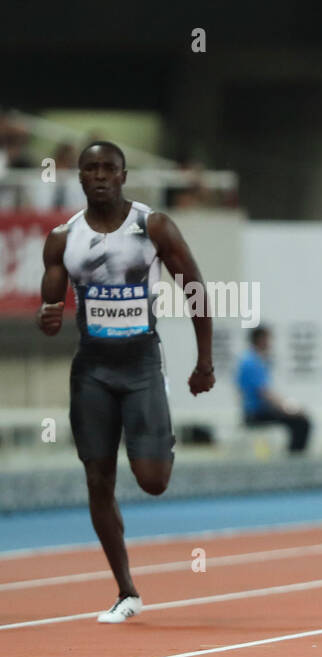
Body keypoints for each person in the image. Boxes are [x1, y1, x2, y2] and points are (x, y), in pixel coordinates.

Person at [36, 141, 214, 622]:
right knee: (98, 480)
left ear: (123, 175)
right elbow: (50, 301)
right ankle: (126, 590)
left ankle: (158, 425)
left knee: (153, 481)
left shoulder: (150, 226)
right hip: (91, 369)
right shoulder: (62, 238)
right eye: (90, 169)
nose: (99, 176)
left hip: (140, 366)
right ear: (79, 177)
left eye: (108, 169)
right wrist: (47, 316)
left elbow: (194, 287)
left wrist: (205, 361)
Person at [237, 326, 312, 453]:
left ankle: (294, 455)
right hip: (256, 413)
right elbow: (265, 394)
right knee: (301, 422)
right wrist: (289, 408)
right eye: (267, 339)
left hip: (260, 410)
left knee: (299, 420)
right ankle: (295, 459)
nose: (270, 343)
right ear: (260, 340)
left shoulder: (253, 360)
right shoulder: (251, 362)